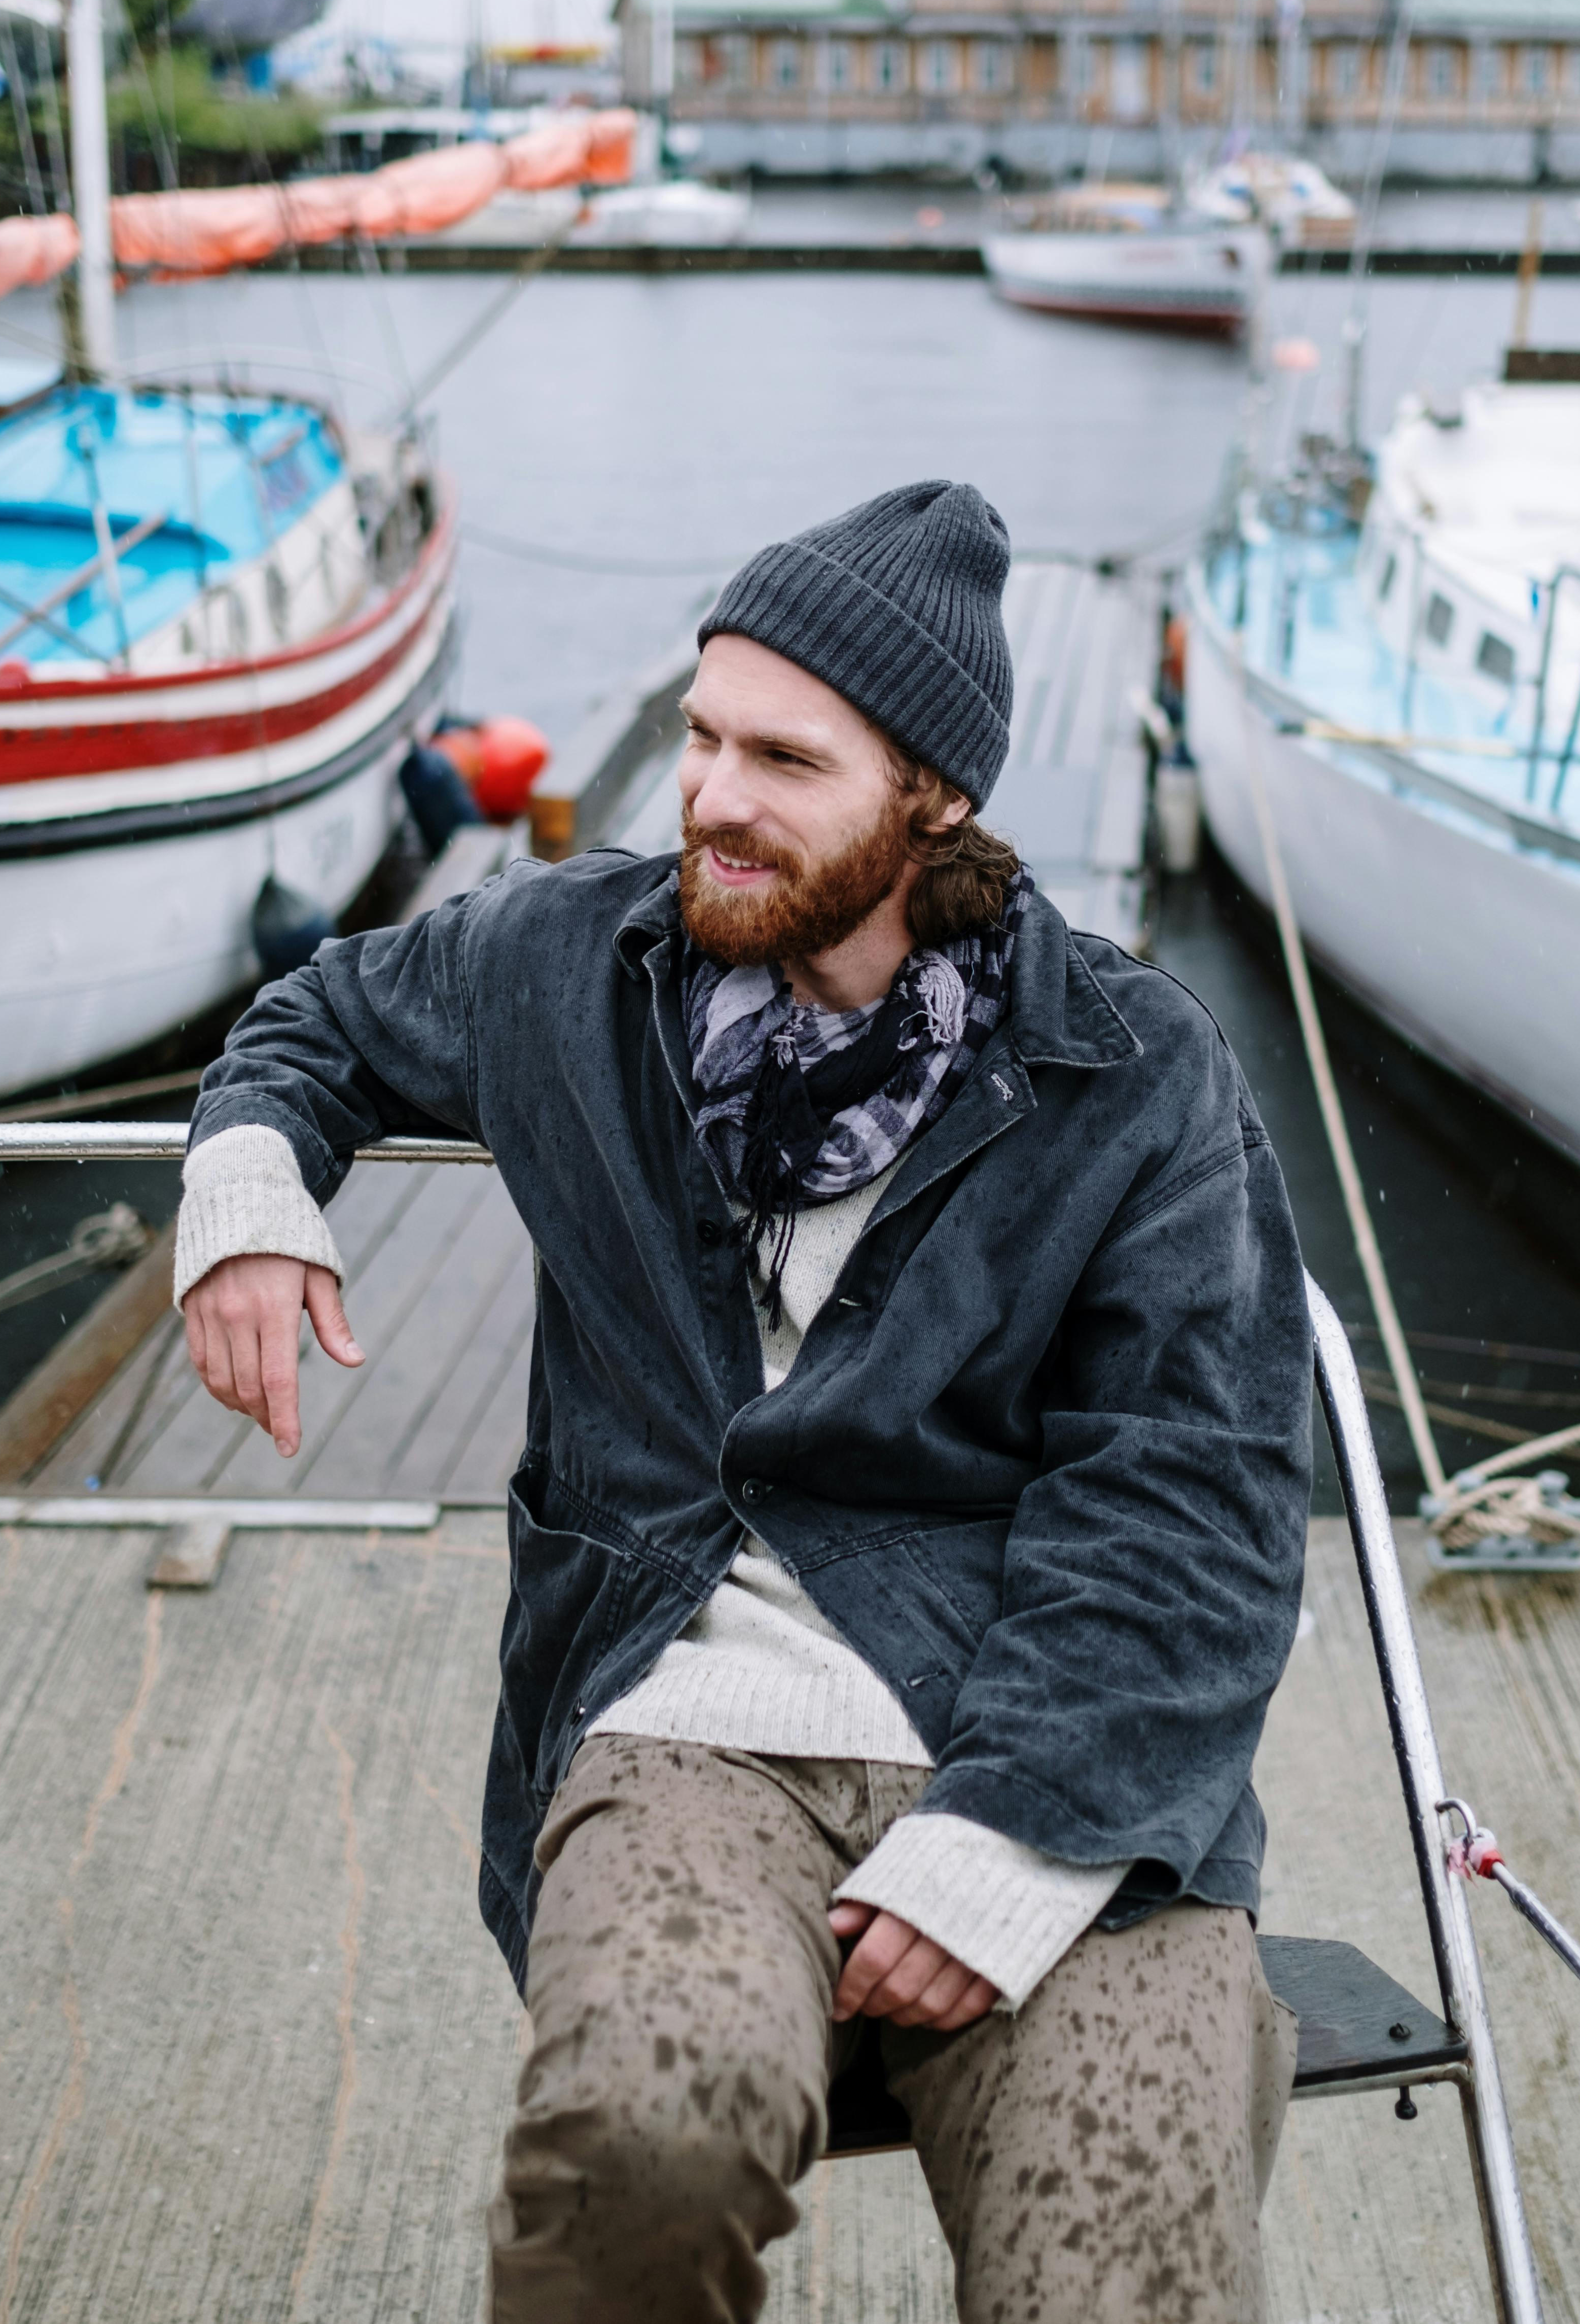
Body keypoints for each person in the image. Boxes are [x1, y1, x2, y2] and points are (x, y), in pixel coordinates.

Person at [176, 480, 1313, 2323]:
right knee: (639, 2150)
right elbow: (320, 1018)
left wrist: (1014, 1836)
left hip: (1049, 1718)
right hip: (679, 1705)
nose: (708, 795)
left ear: (933, 794)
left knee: (1133, 2262)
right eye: (702, 733)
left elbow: (1201, 1498)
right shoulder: (571, 961)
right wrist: (247, 1199)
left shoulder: (1129, 1066)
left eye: (784, 757)